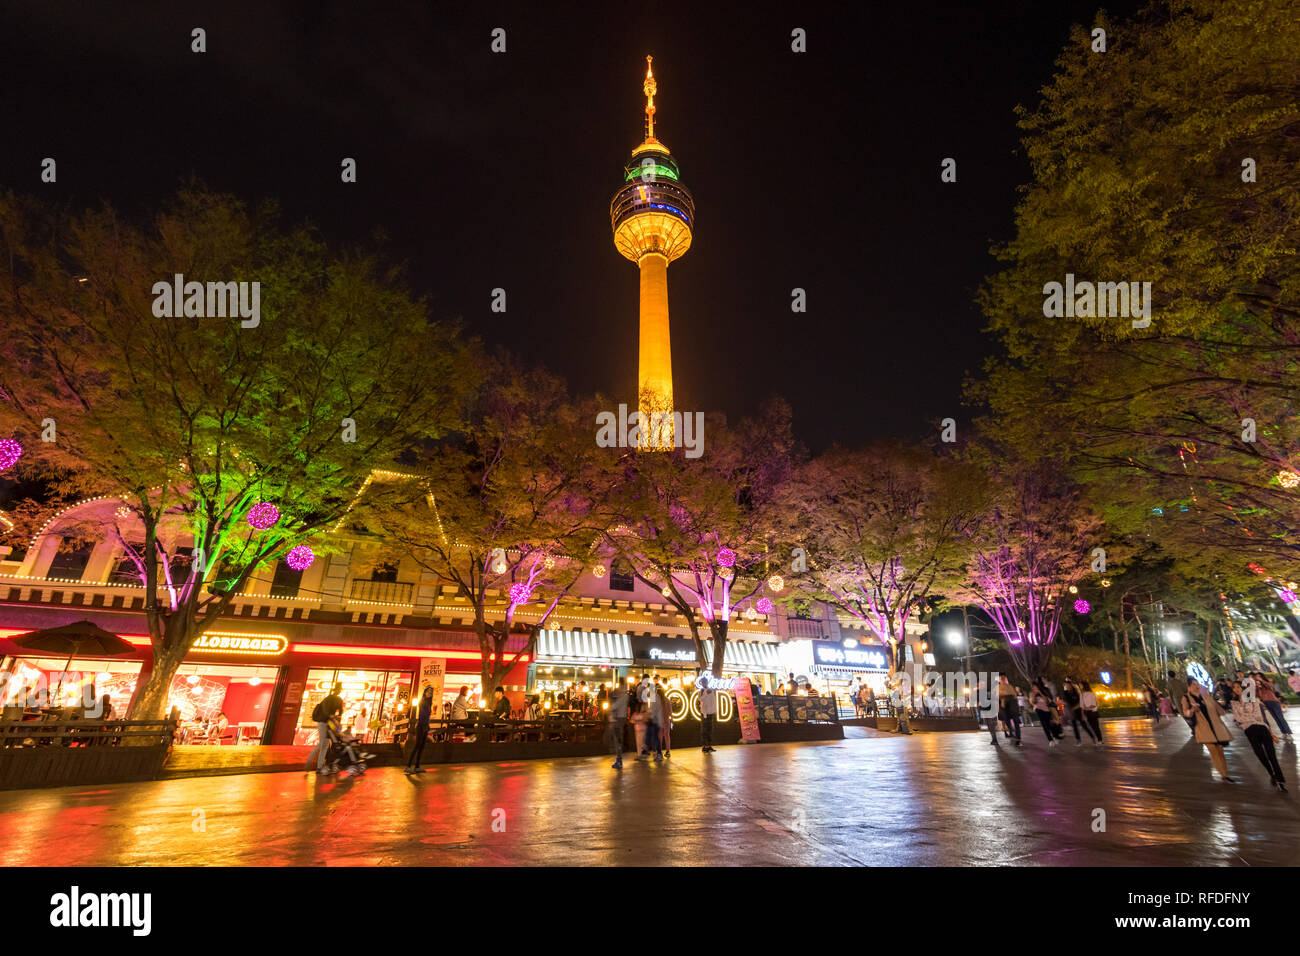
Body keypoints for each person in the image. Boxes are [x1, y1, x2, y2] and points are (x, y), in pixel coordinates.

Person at [1230, 681, 1286, 791]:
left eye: (1238, 687)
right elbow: (1237, 718)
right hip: (1249, 730)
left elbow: (1258, 716)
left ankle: (1280, 781)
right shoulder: (1234, 703)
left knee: (1271, 754)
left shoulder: (1253, 699)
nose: (1237, 689)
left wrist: (1245, 718)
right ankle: (1272, 774)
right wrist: (1249, 718)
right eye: (1234, 687)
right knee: (1260, 754)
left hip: (1262, 727)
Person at [1183, 681, 1234, 782]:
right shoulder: (1186, 698)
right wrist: (1191, 711)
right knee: (1212, 749)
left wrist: (1223, 710)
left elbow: (1217, 708)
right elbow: (1186, 712)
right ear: (1188, 687)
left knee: (1220, 749)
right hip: (1202, 727)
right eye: (1193, 684)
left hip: (1214, 725)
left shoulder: (1205, 696)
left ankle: (1225, 774)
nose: (1196, 686)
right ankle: (1222, 773)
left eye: (1197, 684)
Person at [1251, 672, 1293, 741]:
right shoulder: (1258, 687)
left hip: (1274, 702)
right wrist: (1256, 686)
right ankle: (1284, 733)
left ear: (1262, 677)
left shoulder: (1267, 683)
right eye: (1257, 677)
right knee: (1276, 719)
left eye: (1259, 676)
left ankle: (1289, 733)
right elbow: (1256, 696)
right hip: (1267, 704)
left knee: (1280, 718)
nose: (1258, 678)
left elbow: (1270, 686)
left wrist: (1262, 680)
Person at [405, 685, 434, 774]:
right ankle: (408, 766)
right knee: (417, 746)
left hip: (425, 726)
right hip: (421, 726)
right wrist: (425, 726)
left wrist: (428, 726)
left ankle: (417, 766)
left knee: (421, 747)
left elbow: (427, 717)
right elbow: (423, 716)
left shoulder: (429, 703)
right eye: (428, 691)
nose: (430, 693)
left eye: (431, 692)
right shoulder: (423, 702)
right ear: (425, 692)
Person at [1061, 680, 1097, 746]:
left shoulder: (1076, 692)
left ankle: (1093, 737)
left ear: (1071, 685)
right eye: (1066, 685)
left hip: (1078, 711)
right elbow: (1066, 702)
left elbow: (1080, 702)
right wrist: (1063, 704)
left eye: (1068, 685)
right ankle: (1078, 741)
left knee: (1084, 726)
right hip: (1071, 712)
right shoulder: (1065, 693)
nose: (1067, 686)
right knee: (1075, 727)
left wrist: (1074, 708)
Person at [606, 682, 629, 769]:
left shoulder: (623, 696)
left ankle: (619, 760)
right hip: (619, 719)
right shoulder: (623, 696)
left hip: (619, 719)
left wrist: (610, 709)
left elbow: (615, 706)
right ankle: (619, 759)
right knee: (617, 739)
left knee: (617, 740)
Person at [1029, 681, 1056, 746]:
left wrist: (1040, 693)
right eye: (1033, 687)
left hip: (1046, 710)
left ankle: (1054, 736)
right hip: (1039, 710)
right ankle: (1050, 740)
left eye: (1035, 686)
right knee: (1044, 725)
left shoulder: (1042, 692)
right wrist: (1035, 695)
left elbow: (1046, 700)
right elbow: (1033, 702)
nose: (1035, 688)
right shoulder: (1032, 693)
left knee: (1049, 724)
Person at [996, 675, 1021, 746]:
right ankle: (1011, 732)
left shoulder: (1010, 686)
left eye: (1004, 678)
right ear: (1000, 680)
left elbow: (1014, 696)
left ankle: (1018, 739)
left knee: (1016, 722)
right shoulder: (998, 688)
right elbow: (997, 696)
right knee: (1006, 720)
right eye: (1001, 679)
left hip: (1012, 705)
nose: (1003, 680)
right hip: (1004, 706)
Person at [1078, 680, 1102, 746]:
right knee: (1092, 727)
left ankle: (1100, 740)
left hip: (1093, 712)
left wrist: (1087, 708)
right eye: (1079, 685)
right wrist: (1082, 714)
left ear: (1084, 686)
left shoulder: (1091, 694)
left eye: (1081, 685)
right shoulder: (1081, 695)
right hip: (1087, 713)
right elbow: (1082, 706)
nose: (1080, 686)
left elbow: (1094, 704)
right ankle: (1098, 740)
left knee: (1096, 727)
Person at [699, 673, 717, 753]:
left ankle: (709, 745)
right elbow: (701, 699)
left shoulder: (711, 690)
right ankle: (704, 746)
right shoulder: (702, 691)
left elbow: (713, 701)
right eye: (703, 682)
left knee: (710, 729)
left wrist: (714, 710)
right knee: (704, 729)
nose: (704, 684)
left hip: (710, 712)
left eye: (705, 682)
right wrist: (706, 693)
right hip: (704, 713)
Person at [656, 680, 672, 758]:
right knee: (667, 736)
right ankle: (668, 751)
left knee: (660, 736)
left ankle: (659, 752)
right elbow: (670, 711)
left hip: (659, 721)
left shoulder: (657, 701)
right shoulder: (667, 700)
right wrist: (671, 719)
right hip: (666, 721)